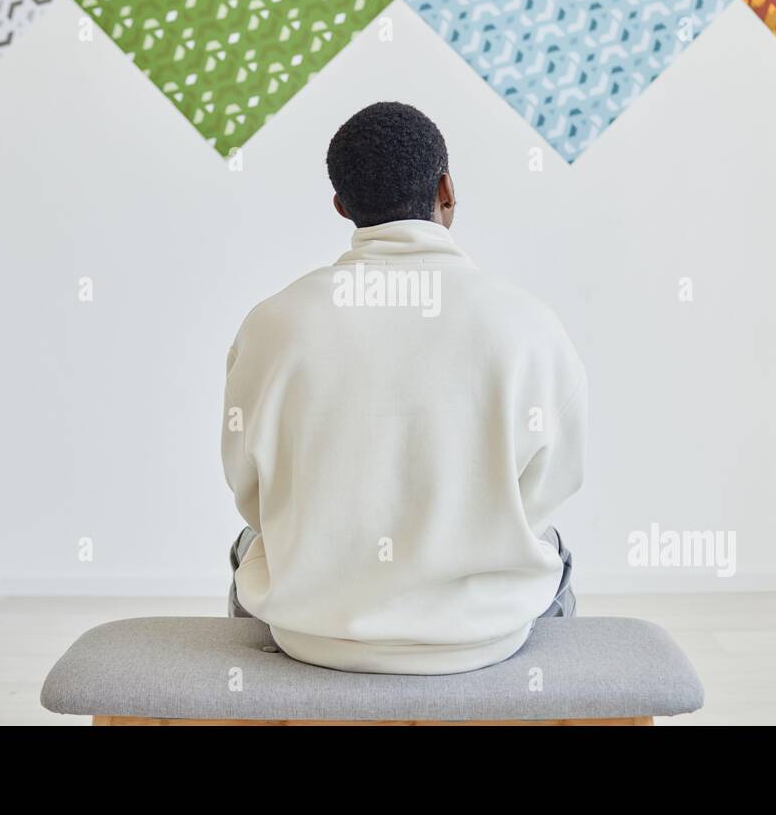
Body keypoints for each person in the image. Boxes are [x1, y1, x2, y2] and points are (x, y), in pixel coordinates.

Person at [221, 101, 587, 674]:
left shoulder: (273, 323)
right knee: (554, 548)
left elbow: (251, 489)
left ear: (342, 206)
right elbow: (547, 488)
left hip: (310, 634)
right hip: (482, 638)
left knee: (249, 546)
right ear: (447, 189)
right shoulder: (528, 323)